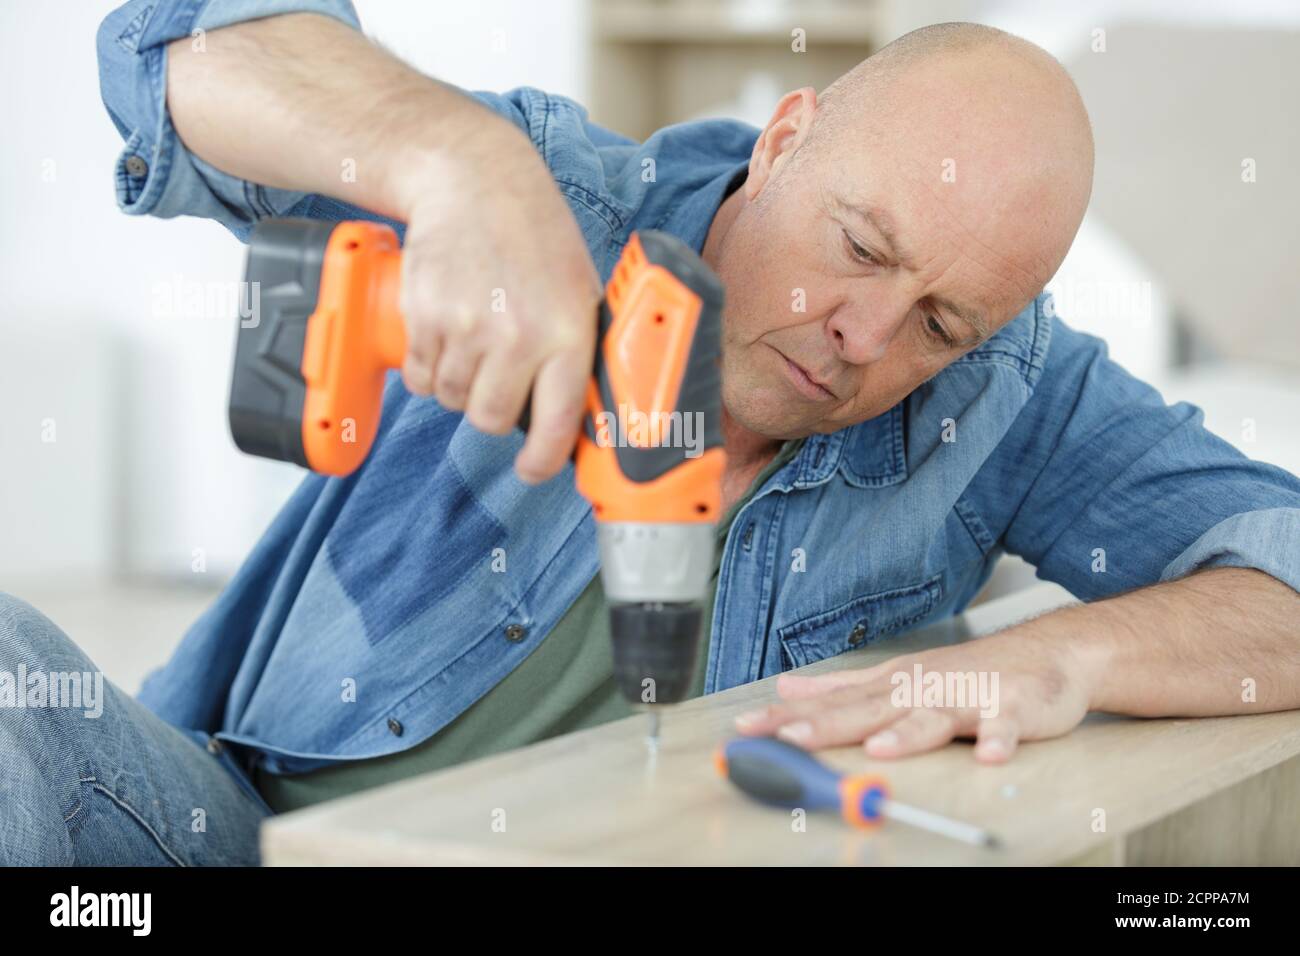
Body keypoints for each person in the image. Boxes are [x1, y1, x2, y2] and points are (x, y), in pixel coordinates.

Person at [1, 1, 1296, 865]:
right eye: (859, 246)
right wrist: (457, 168)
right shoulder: (556, 198)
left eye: (942, 321)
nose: (864, 337)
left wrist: (1058, 663)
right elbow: (176, 45)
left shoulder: (1010, 395)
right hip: (244, 836)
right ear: (787, 140)